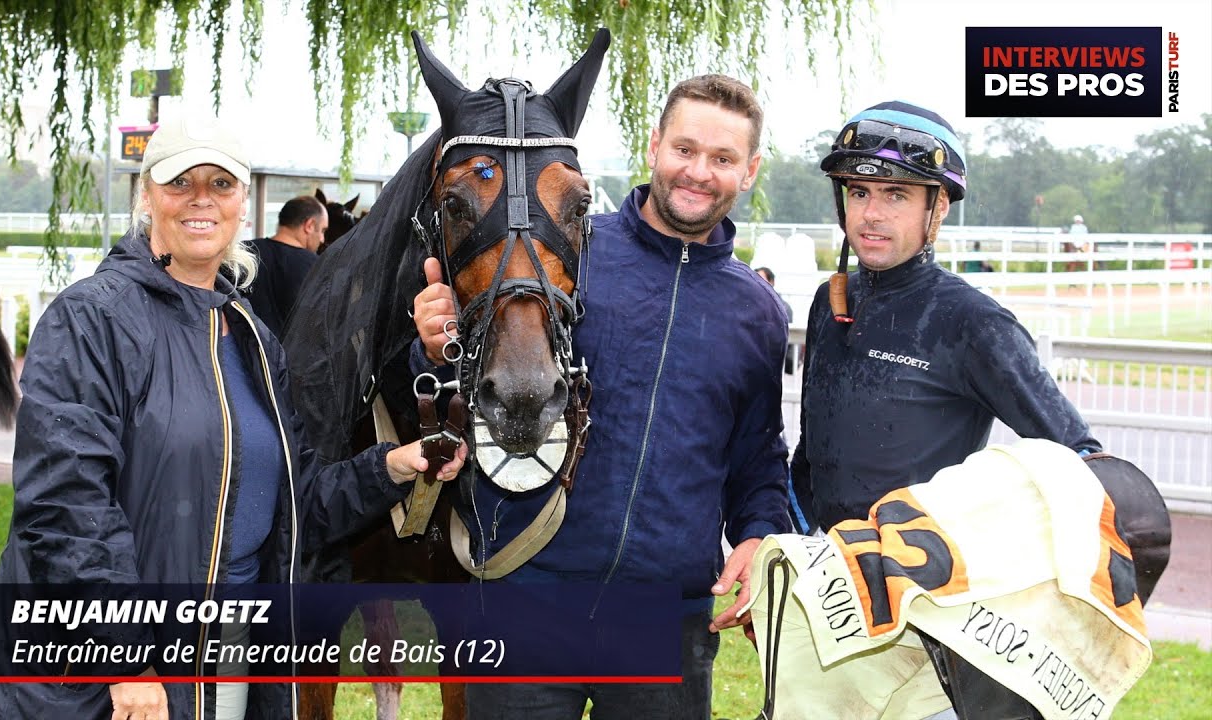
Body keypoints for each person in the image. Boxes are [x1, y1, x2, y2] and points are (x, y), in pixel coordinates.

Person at [0, 115, 466, 720]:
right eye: (181, 183)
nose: (201, 199)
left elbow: (297, 501)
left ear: (240, 205)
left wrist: (389, 467)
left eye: (221, 184)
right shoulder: (90, 321)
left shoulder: (255, 341)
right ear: (147, 197)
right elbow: (66, 506)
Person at [413, 75, 791, 719]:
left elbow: (757, 460)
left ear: (749, 171)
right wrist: (433, 343)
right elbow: (463, 387)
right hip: (525, 597)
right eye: (685, 149)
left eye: (722, 159)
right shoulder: (568, 254)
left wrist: (759, 536)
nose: (698, 172)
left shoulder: (757, 311)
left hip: (663, 621)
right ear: (654, 146)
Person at [790, 100, 1101, 719]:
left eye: (897, 195)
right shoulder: (831, 301)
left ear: (939, 209)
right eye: (858, 191)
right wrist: (792, 557)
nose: (872, 214)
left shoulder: (974, 322)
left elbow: (1078, 459)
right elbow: (814, 452)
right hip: (825, 594)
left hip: (928, 621)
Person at [245, 195, 328, 338]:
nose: (322, 239)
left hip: (245, 354)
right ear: (309, 225)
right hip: (291, 358)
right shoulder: (317, 266)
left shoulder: (244, 253)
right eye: (322, 230)